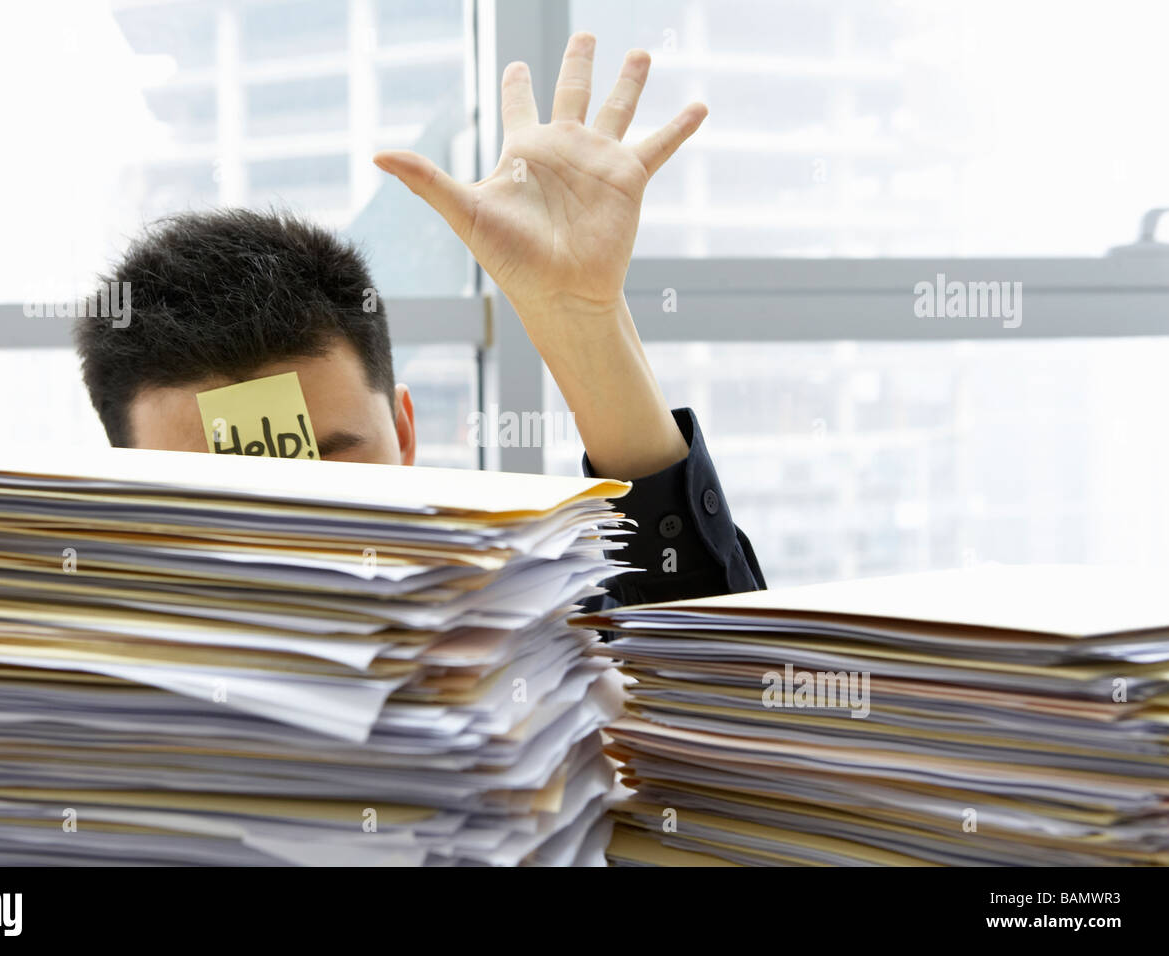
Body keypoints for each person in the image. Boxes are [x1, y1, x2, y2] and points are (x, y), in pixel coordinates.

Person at [74, 32, 765, 610]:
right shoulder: (44, 713)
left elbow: (726, 713)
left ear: (405, 434)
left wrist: (584, 324)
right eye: (211, 500)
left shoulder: (527, 641)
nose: (287, 544)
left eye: (334, 476)